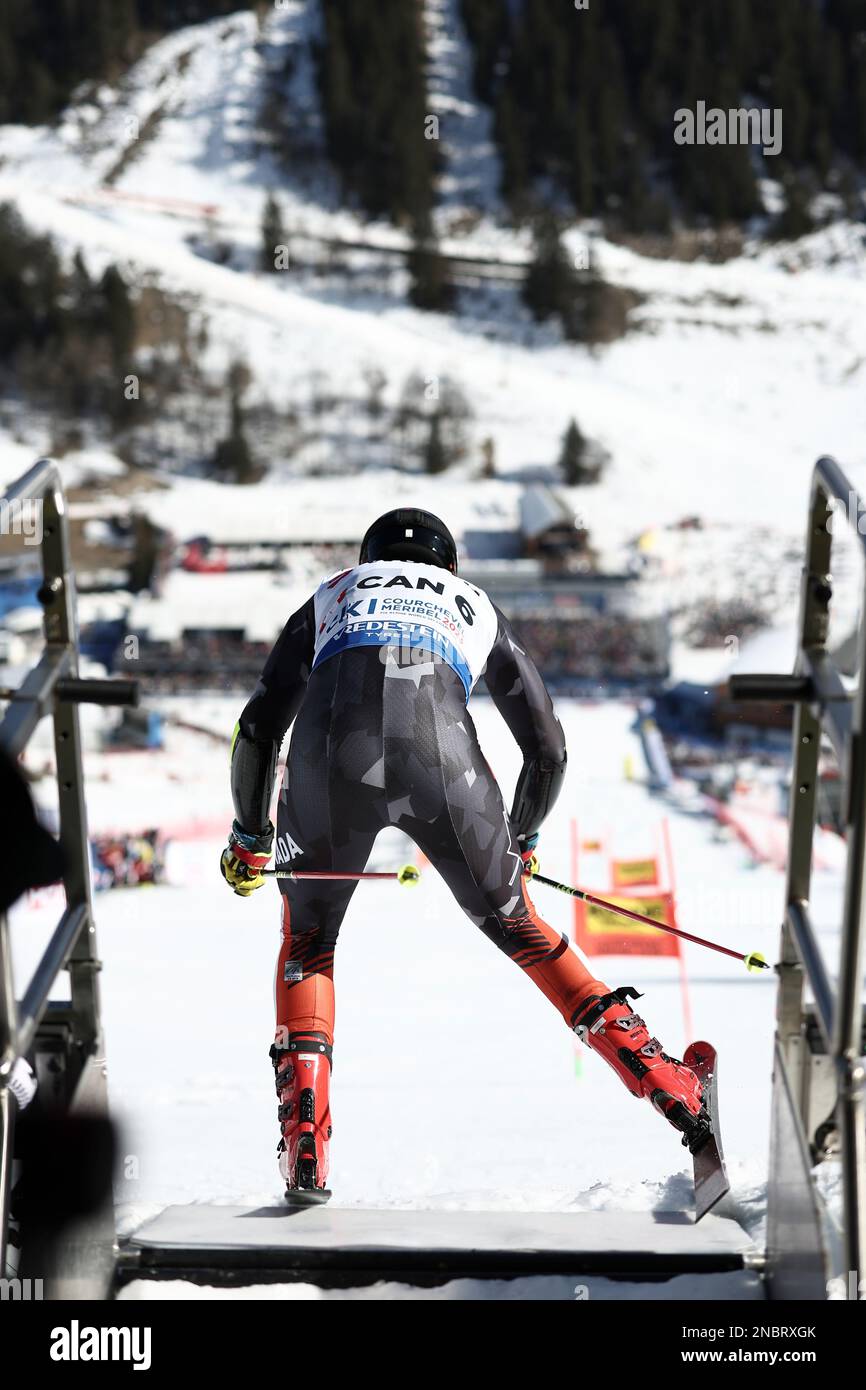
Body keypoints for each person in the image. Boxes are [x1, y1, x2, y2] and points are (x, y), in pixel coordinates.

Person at [221, 508, 705, 1197]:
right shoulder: (476, 604)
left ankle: (306, 1140)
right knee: (523, 931)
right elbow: (547, 749)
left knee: (309, 941)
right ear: (450, 568)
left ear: (370, 557)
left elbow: (260, 723)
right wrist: (523, 836)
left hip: (331, 758)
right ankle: (663, 1080)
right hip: (442, 765)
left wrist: (249, 836)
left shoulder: (336, 590)